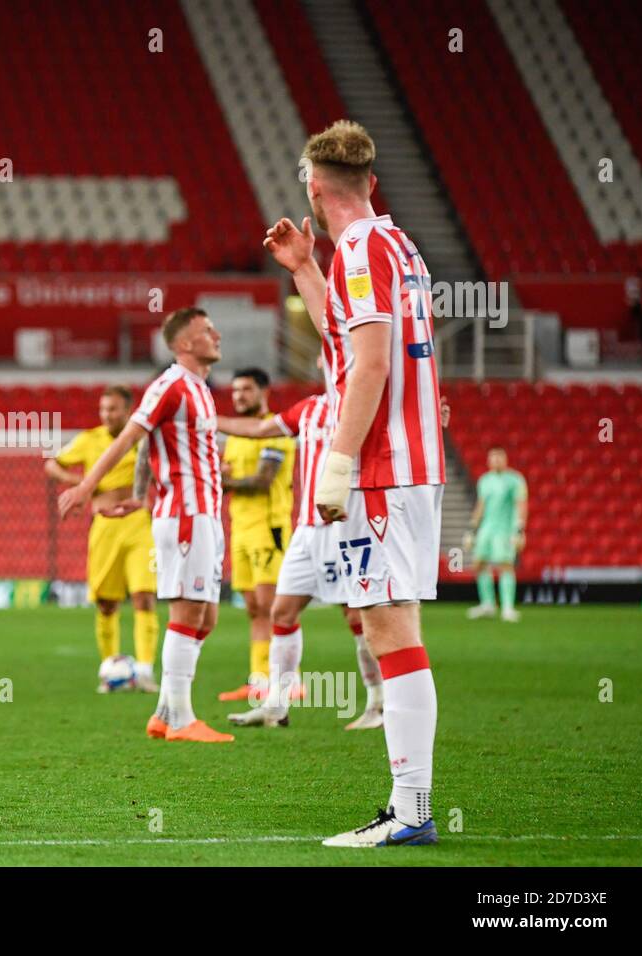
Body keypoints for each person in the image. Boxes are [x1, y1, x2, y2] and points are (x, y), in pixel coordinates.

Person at [265, 120, 445, 847]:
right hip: (408, 463)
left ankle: (411, 810)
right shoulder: (395, 246)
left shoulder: (364, 252)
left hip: (380, 469)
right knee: (391, 623)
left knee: (388, 626)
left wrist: (336, 465)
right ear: (370, 182)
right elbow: (350, 345)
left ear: (313, 187)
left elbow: (367, 368)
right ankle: (411, 806)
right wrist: (305, 268)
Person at [60, 308, 233, 743]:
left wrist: (139, 492)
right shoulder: (170, 385)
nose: (216, 334)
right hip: (185, 515)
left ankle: (165, 711)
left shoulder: (201, 389)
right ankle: (179, 718)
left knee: (206, 616)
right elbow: (129, 439)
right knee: (186, 611)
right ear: (184, 344)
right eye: (205, 330)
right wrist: (86, 488)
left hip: (207, 514)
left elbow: (145, 453)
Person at [215, 393, 381, 730]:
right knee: (282, 612)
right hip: (307, 530)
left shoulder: (368, 398)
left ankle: (378, 702)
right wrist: (208, 419)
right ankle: (275, 705)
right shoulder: (309, 408)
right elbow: (260, 429)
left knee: (355, 614)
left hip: (345, 524)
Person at [46, 386, 159, 692]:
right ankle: (111, 671)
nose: (108, 415)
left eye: (114, 409)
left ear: (128, 411)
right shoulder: (88, 439)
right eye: (104, 409)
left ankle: (146, 672)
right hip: (105, 526)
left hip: (139, 525)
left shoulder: (142, 439)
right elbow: (52, 464)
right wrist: (80, 484)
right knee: (107, 604)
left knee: (144, 597)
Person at [216, 367, 295, 703]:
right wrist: (224, 478)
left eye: (246, 389)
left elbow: (262, 480)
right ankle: (259, 680)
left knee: (273, 606)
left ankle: (287, 680)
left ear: (264, 391)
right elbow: (229, 478)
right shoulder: (236, 436)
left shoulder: (274, 431)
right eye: (235, 391)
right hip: (241, 529)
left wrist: (221, 479)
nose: (239, 396)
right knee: (252, 608)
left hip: (269, 527)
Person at [465, 447, 528, 623]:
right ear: (488, 461)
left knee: (505, 564)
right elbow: (481, 506)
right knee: (479, 564)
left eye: (499, 457)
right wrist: (472, 529)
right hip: (487, 528)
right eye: (493, 458)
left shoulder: (515, 480)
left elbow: (521, 504)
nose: (496, 461)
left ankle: (508, 608)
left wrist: (519, 529)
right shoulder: (485, 480)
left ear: (505, 459)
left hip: (505, 529)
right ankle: (488, 605)